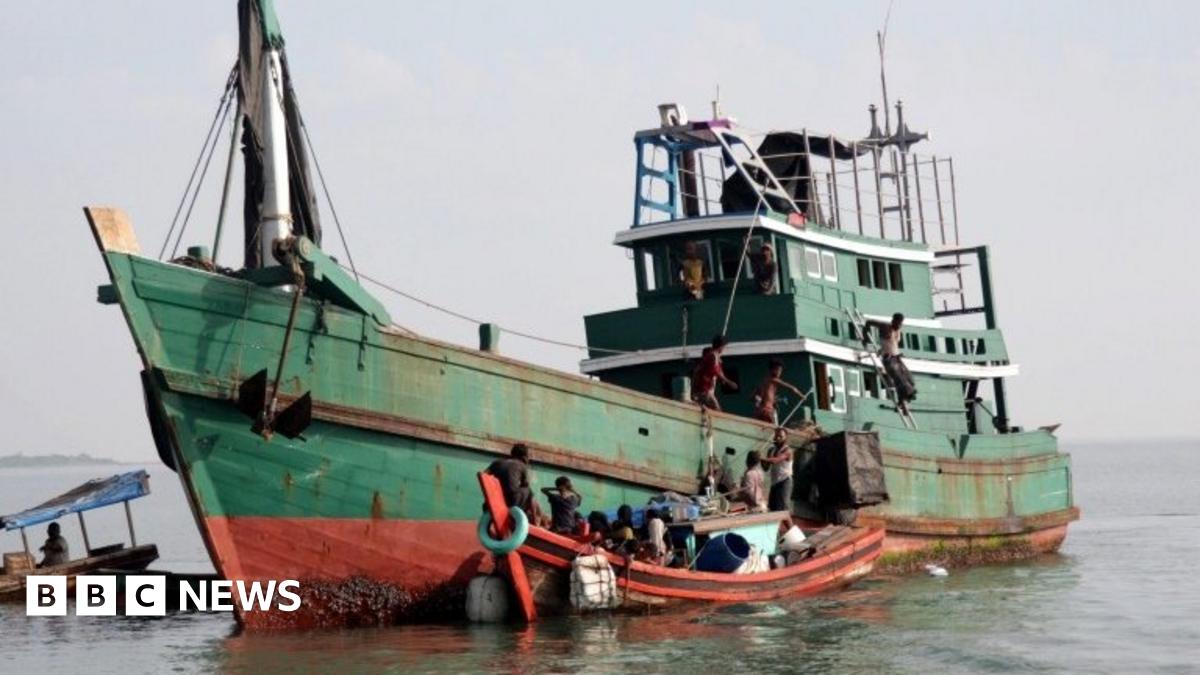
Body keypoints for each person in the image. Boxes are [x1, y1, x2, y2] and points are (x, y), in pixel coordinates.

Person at [486, 443, 545, 524]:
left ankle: (539, 518)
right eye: (528, 456)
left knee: (525, 492)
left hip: (495, 498)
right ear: (524, 457)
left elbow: (484, 474)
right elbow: (525, 485)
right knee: (529, 491)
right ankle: (536, 521)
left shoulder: (497, 463)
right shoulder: (522, 465)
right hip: (510, 501)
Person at [866, 313, 917, 405]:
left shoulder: (898, 330)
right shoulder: (885, 326)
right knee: (898, 378)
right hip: (888, 359)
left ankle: (904, 398)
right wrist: (866, 337)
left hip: (897, 358)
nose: (899, 326)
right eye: (897, 323)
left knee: (909, 378)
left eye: (901, 324)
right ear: (893, 321)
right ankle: (904, 397)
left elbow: (891, 344)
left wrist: (883, 350)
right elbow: (868, 322)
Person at [752, 359, 806, 424]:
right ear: (772, 370)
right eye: (778, 370)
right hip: (768, 411)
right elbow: (792, 388)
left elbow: (753, 396)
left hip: (759, 411)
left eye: (780, 371)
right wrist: (802, 396)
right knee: (775, 430)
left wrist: (771, 400)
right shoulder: (774, 380)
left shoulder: (764, 381)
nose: (779, 372)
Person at [691, 335, 737, 410]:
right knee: (717, 411)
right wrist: (729, 382)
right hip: (705, 390)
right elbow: (715, 371)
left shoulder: (714, 356)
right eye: (724, 346)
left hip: (704, 390)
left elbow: (718, 370)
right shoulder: (713, 356)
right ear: (721, 346)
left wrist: (722, 379)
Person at [761, 428, 794, 512]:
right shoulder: (771, 450)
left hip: (785, 481)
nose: (778, 438)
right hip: (774, 483)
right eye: (776, 436)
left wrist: (761, 458)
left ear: (786, 437)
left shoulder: (788, 450)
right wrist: (761, 460)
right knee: (772, 508)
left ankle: (789, 525)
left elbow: (776, 460)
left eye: (781, 436)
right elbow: (766, 468)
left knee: (783, 508)